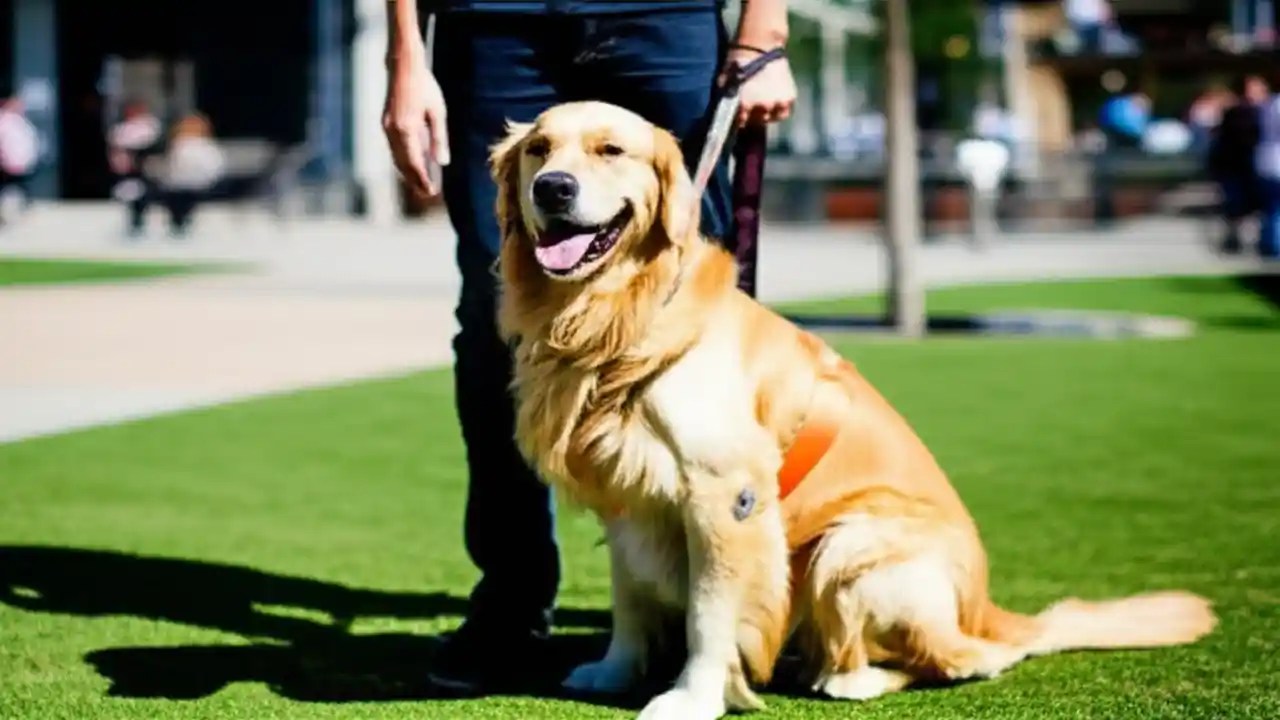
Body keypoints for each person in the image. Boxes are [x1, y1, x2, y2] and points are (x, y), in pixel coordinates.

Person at [382, 0, 797, 694]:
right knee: (498, 315)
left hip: (665, 17)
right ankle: (513, 603)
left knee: (694, 300)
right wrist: (405, 56)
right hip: (492, 24)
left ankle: (714, 615)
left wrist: (765, 29)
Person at [1209, 75, 1269, 254]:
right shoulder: (1238, 113)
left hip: (1254, 168)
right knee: (1236, 207)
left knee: (1254, 208)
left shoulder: (1265, 111)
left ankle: (1261, 241)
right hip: (1237, 168)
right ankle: (1237, 240)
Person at [158, 113, 225, 238]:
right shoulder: (177, 146)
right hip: (177, 187)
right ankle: (177, 224)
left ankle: (183, 223)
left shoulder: (207, 147)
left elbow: (215, 169)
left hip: (201, 187)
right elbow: (169, 170)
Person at [107, 101, 163, 237]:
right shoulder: (120, 130)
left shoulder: (151, 126)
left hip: (149, 173)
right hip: (126, 174)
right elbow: (117, 153)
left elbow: (153, 148)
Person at [0, 96, 40, 224]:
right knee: (13, 186)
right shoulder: (6, 120)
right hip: (9, 162)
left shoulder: (20, 121)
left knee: (17, 186)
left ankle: (25, 206)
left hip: (19, 161)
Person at [1257, 83, 1280, 258]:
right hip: (1275, 162)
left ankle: (1267, 242)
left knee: (1270, 207)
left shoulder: (1268, 104)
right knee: (1275, 208)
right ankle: (1274, 246)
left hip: (1266, 161)